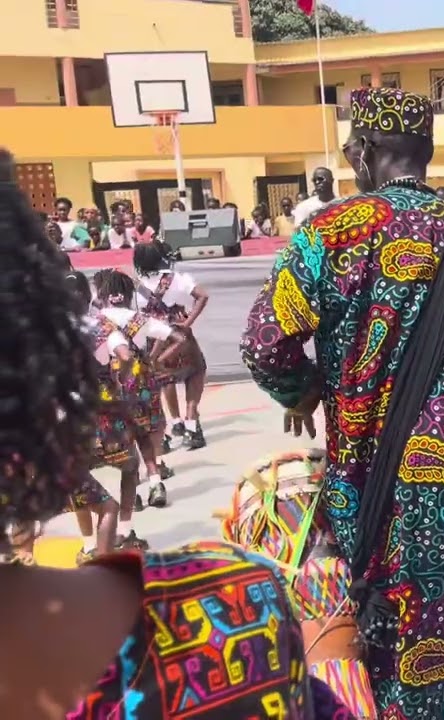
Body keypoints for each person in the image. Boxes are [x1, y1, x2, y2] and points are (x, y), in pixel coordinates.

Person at [0, 158, 352, 719]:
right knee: (147, 446)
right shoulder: (232, 608)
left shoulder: (132, 300)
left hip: (133, 392)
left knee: (144, 444)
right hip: (135, 395)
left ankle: (138, 491)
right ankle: (156, 472)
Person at [242, 87, 444, 719]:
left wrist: (308, 391)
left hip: (382, 500)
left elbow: (264, 346)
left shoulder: (328, 235)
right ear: (428, 152)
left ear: (362, 153)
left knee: (396, 662)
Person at [97, 269, 182, 513]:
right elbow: (177, 337)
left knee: (124, 440)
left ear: (104, 294)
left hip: (111, 383)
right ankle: (155, 482)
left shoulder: (98, 320)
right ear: (126, 294)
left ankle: (132, 493)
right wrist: (156, 359)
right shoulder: (139, 319)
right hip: (141, 380)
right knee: (145, 433)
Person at [64, 270, 125, 563]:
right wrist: (119, 376)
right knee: (129, 466)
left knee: (82, 486)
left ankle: (88, 545)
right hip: (100, 412)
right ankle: (124, 530)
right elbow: (125, 355)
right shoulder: (102, 324)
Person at [133, 243, 209, 451]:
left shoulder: (137, 286)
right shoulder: (177, 278)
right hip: (179, 332)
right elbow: (202, 295)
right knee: (195, 373)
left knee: (165, 379)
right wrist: (188, 321)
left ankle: (175, 423)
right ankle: (192, 425)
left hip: (155, 335)